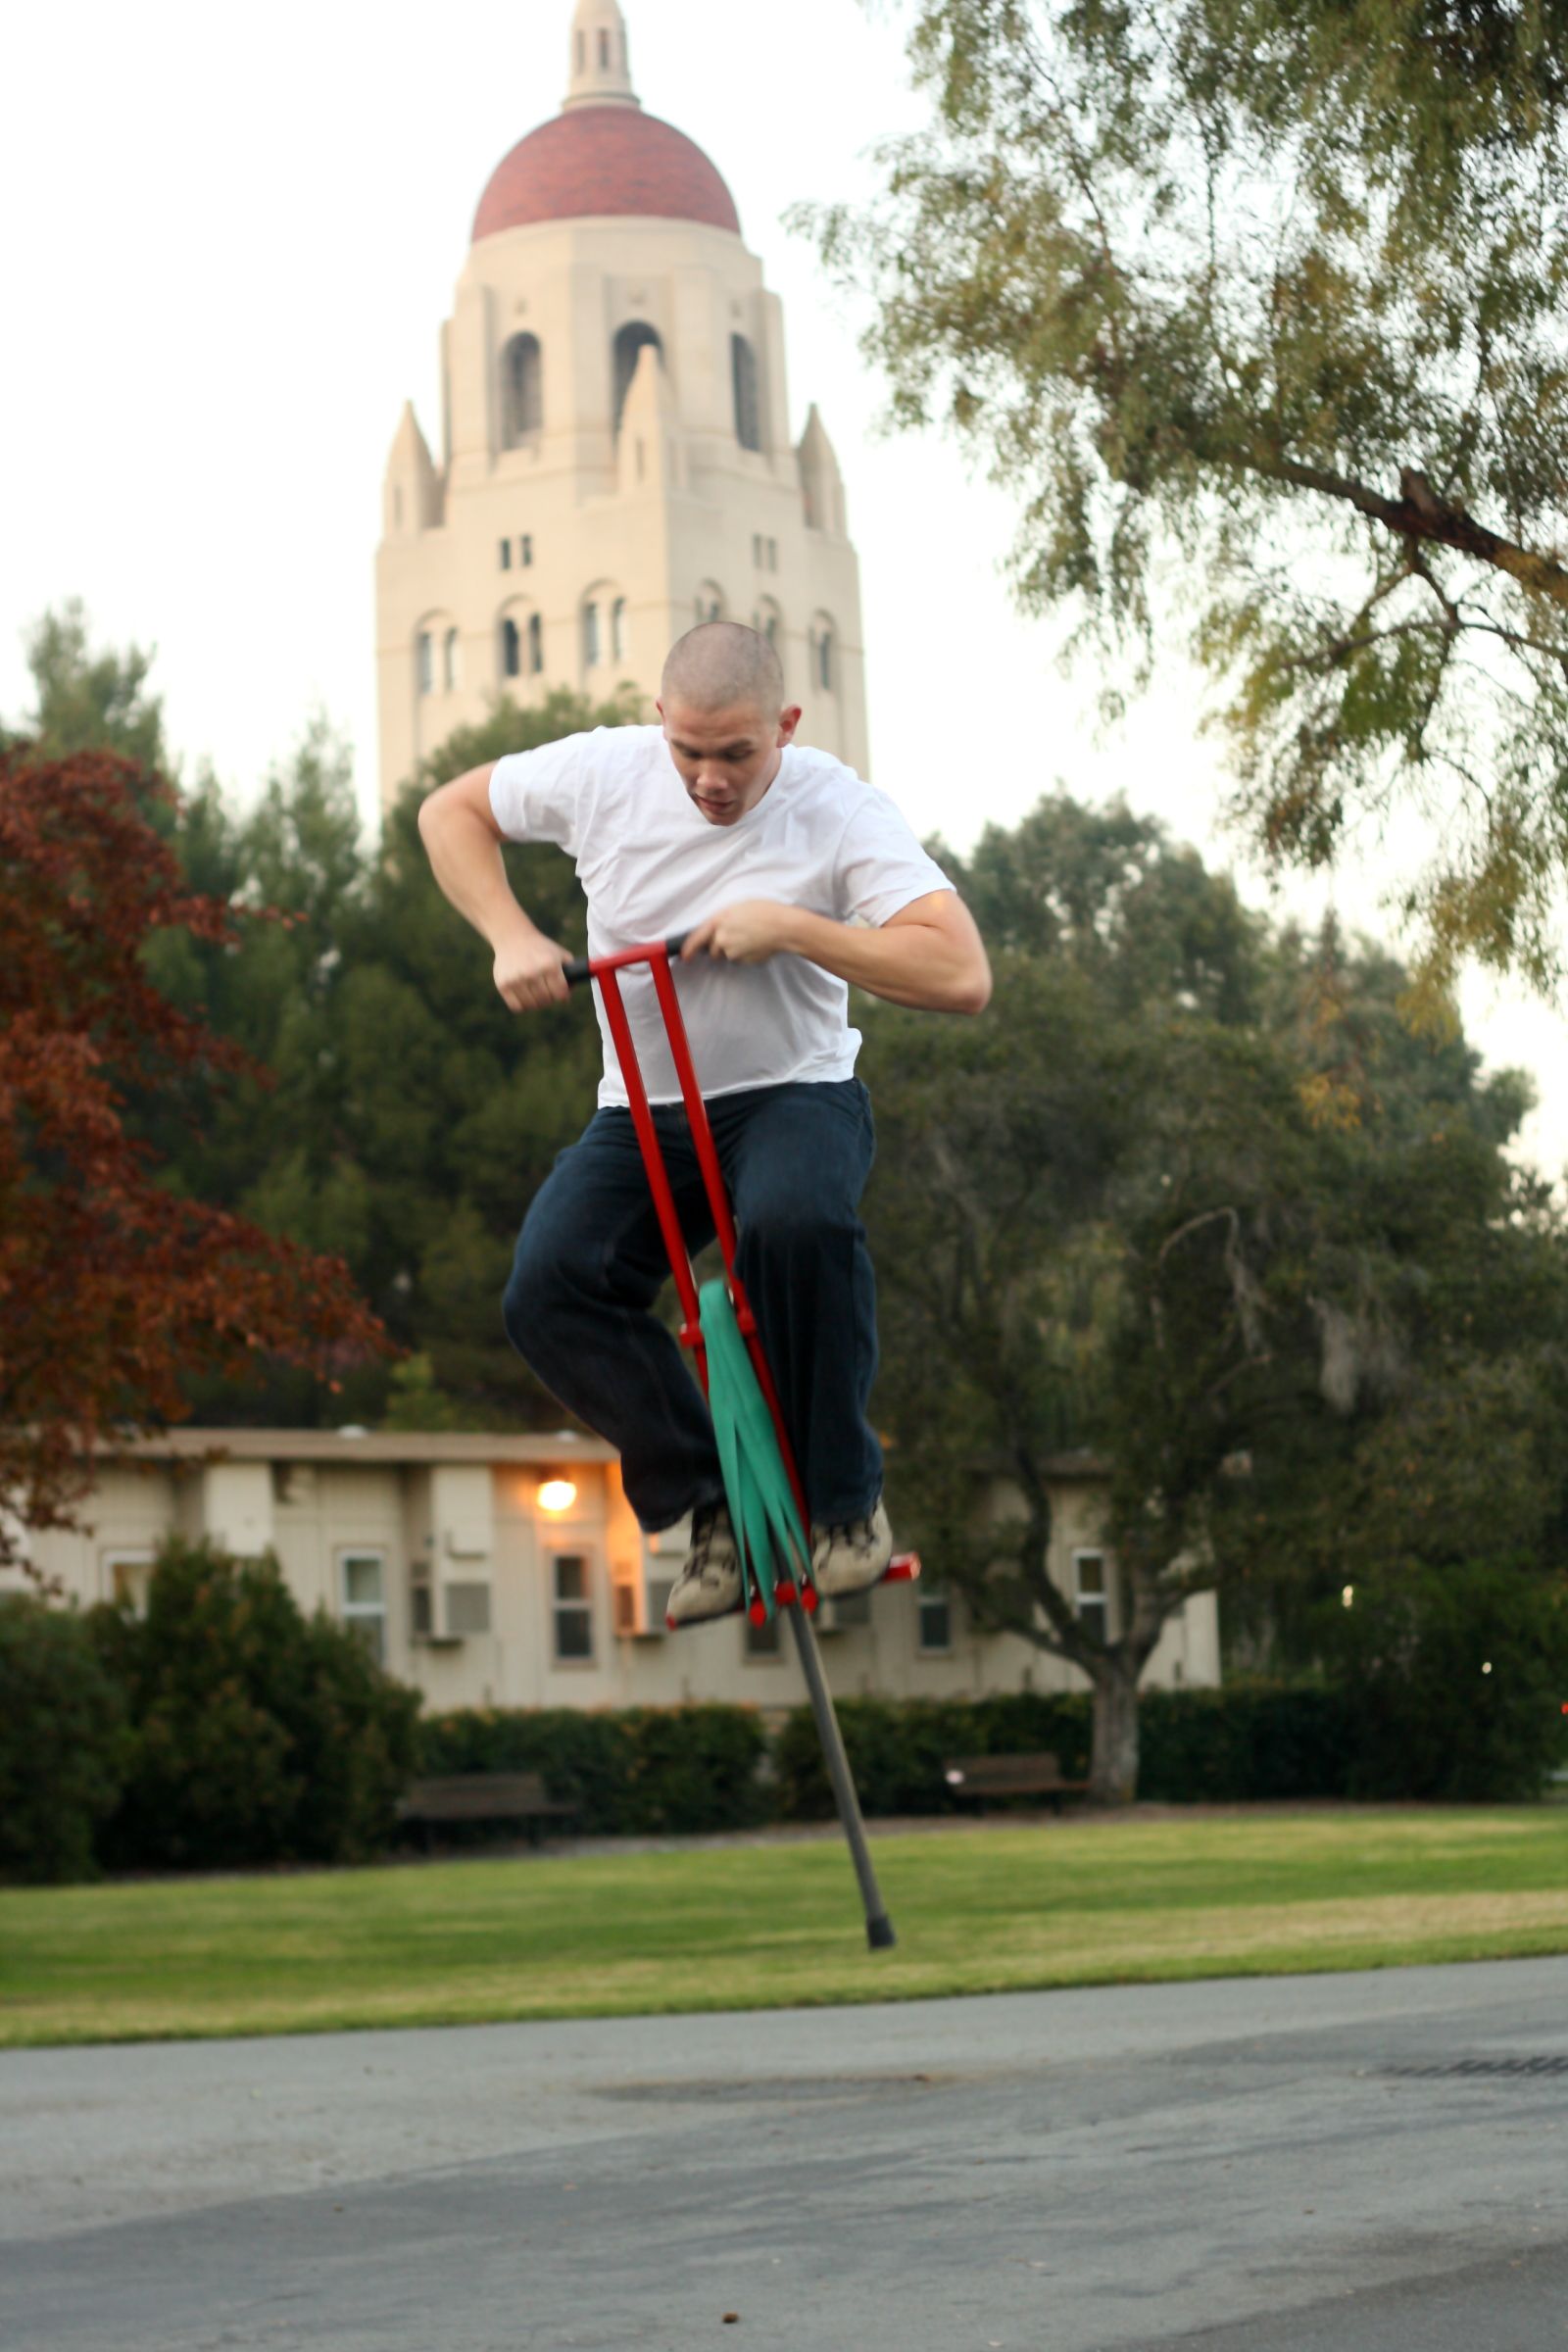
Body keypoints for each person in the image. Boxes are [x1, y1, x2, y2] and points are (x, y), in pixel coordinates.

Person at [417, 621, 991, 1623]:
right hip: (644, 1113)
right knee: (548, 1285)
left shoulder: (837, 806)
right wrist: (508, 935)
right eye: (688, 752)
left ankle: (845, 1507)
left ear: (785, 726)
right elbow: (450, 811)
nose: (710, 779)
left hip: (794, 1097)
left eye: (736, 754)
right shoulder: (603, 772)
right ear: (659, 725)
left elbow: (959, 972)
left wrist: (797, 928)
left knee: (793, 1223)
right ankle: (709, 1508)